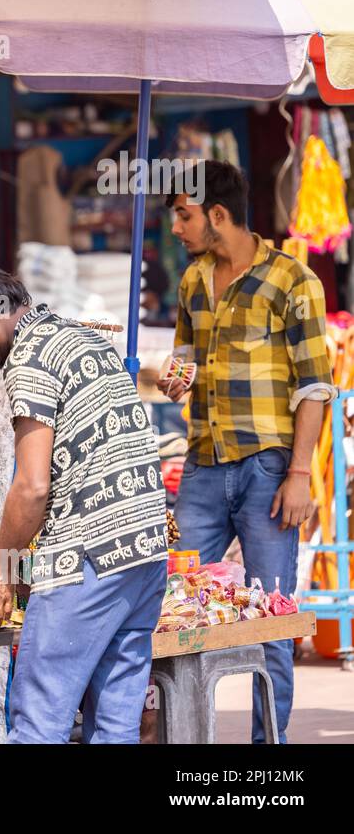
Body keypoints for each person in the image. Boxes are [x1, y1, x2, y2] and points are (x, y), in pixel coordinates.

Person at [0, 263, 168, 743]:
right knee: (115, 729)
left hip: (89, 560)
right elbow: (71, 473)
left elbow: (33, 487)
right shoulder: (80, 337)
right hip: (143, 554)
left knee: (38, 724)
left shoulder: (30, 358)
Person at [161, 160, 333, 744]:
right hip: (204, 469)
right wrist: (176, 378)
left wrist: (300, 474)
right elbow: (184, 355)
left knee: (273, 616)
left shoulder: (293, 280)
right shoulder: (190, 282)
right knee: (175, 606)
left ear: (217, 214)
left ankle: (267, 749)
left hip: (268, 468)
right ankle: (181, 735)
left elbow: (316, 386)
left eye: (183, 216)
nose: (176, 229)